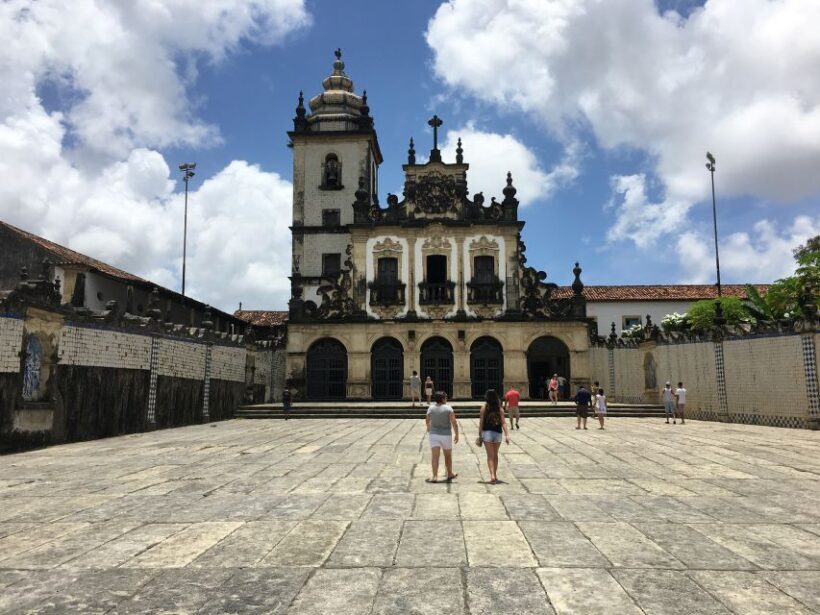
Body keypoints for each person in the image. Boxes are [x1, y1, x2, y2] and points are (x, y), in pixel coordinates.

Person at [425, 391, 459, 483]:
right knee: (448, 456)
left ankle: (435, 476)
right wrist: (457, 434)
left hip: (434, 435)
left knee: (435, 457)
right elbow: (454, 422)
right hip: (446, 435)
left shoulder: (431, 408)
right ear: (443, 399)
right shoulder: (448, 408)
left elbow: (427, 420)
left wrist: (429, 428)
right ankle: (450, 473)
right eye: (446, 397)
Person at [478, 389, 510, 484]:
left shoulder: (484, 408)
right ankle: (495, 475)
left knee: (490, 456)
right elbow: (503, 423)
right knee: (495, 455)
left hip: (487, 433)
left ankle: (492, 475)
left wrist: (480, 433)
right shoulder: (500, 409)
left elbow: (481, 422)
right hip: (498, 433)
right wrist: (507, 434)